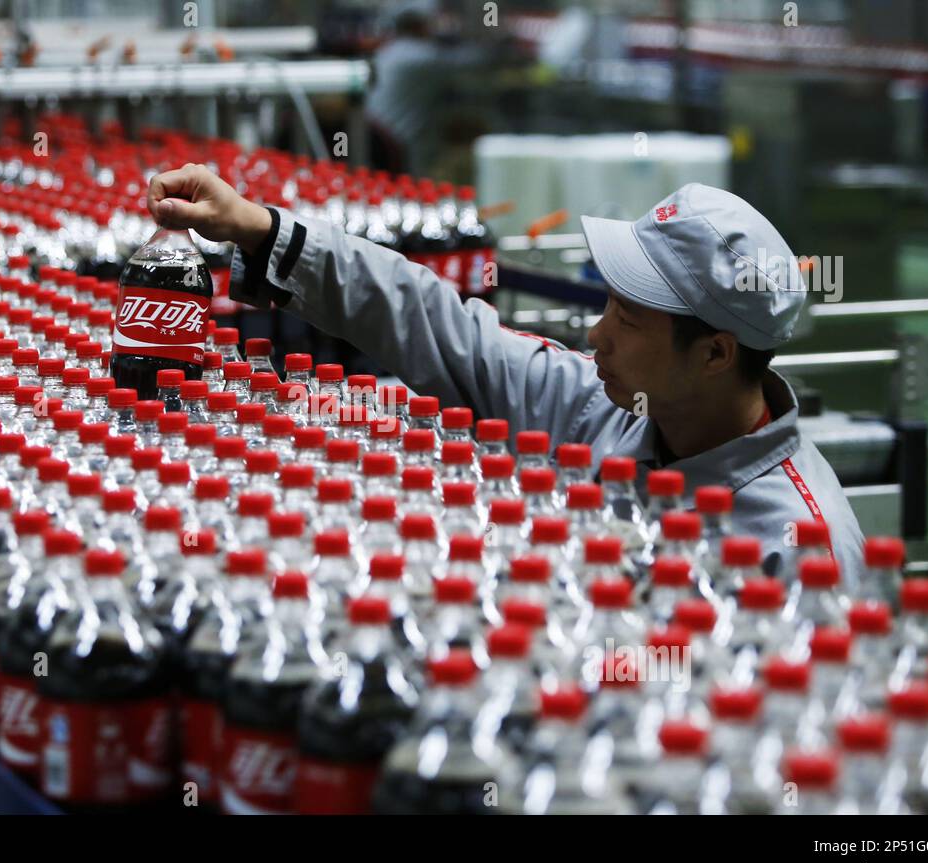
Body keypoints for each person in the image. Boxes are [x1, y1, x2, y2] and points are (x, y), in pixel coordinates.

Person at [145, 165, 866, 590]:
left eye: (628, 320)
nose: (595, 335)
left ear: (714, 354)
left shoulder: (800, 547)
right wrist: (260, 227)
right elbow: (434, 320)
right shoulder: (607, 408)